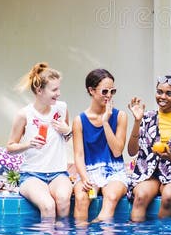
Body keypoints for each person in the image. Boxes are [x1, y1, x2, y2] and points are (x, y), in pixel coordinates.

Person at [7, 62, 73, 220]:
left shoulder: (61, 108)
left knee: (63, 200)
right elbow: (10, 147)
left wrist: (68, 131)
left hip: (58, 173)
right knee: (48, 206)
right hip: (32, 174)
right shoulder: (24, 115)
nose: (59, 93)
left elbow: (68, 137)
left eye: (59, 88)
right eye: (54, 90)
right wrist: (29, 144)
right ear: (39, 90)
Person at [127, 75, 171, 222]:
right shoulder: (147, 117)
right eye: (159, 92)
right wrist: (137, 121)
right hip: (148, 174)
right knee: (140, 197)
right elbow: (132, 151)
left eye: (169, 93)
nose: (162, 97)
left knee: (169, 196)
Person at [72, 68, 128, 223]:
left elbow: (117, 151)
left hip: (114, 171)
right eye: (105, 91)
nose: (109, 96)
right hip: (89, 171)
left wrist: (105, 122)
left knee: (110, 197)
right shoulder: (79, 120)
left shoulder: (120, 116)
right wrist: (84, 178)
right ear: (91, 90)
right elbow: (78, 155)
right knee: (82, 198)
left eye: (112, 91)